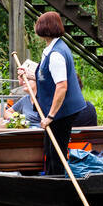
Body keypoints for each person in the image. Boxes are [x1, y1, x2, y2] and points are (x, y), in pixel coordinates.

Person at [31, 11, 87, 176]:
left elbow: (62, 85)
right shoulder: (53, 48)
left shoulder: (56, 54)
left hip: (62, 112)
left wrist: (51, 116)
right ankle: (51, 178)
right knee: (50, 149)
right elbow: (45, 75)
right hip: (58, 112)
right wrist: (27, 74)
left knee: (56, 151)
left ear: (45, 28)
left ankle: (56, 181)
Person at [4, 60, 42, 127]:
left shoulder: (46, 99)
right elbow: (7, 112)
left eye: (28, 79)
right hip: (27, 134)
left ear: (37, 82)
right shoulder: (25, 99)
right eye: (24, 79)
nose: (24, 82)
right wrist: (16, 121)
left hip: (42, 133)